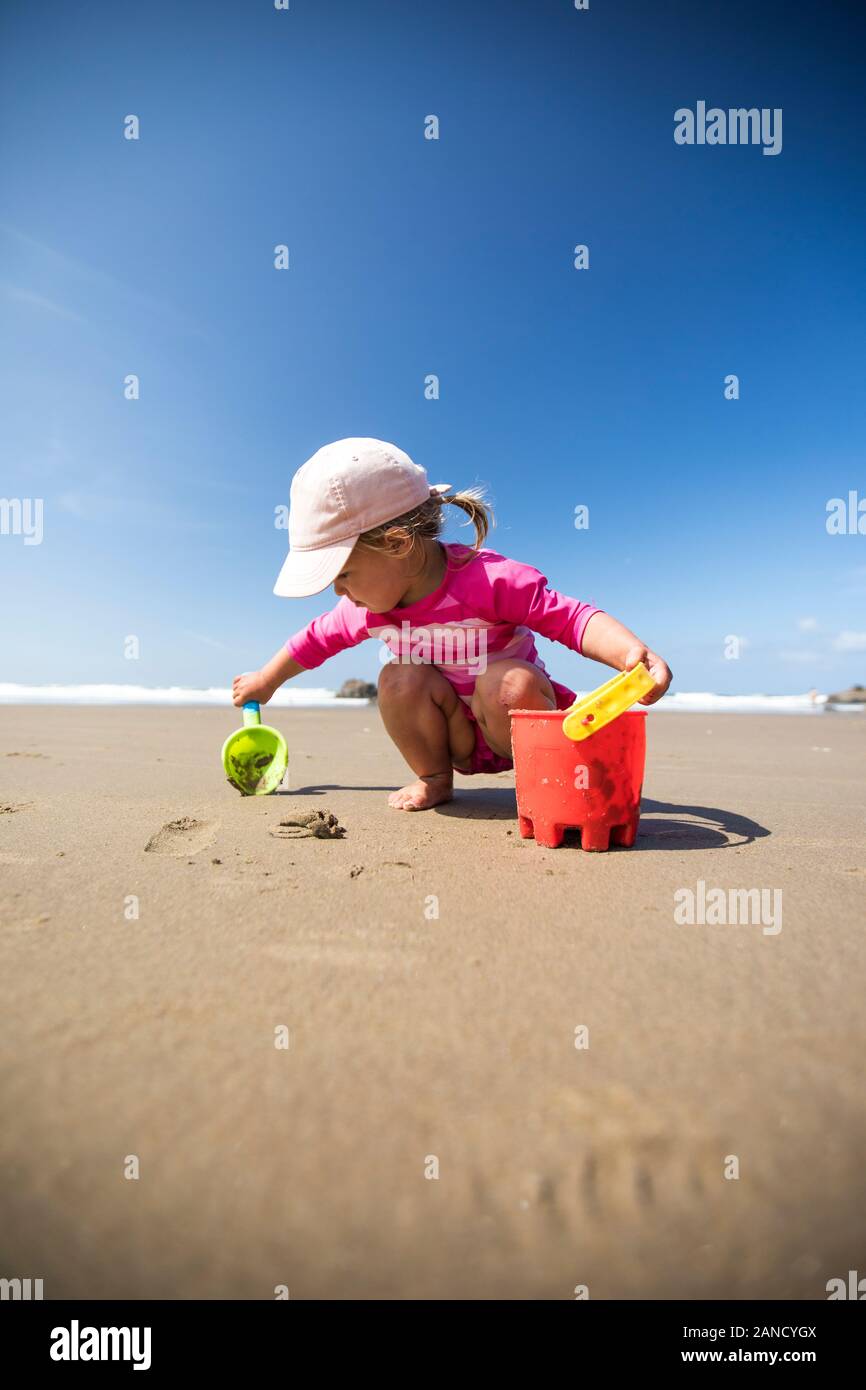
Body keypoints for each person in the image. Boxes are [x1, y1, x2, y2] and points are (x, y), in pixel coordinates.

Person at [233, 438, 672, 811]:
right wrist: (265, 682)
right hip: (454, 736)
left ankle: (544, 781)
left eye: (343, 574)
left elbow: (569, 618)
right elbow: (312, 643)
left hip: (521, 726)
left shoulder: (487, 580)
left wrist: (629, 652)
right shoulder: (367, 611)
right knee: (398, 678)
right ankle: (435, 779)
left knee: (508, 680)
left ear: (397, 544)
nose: (339, 592)